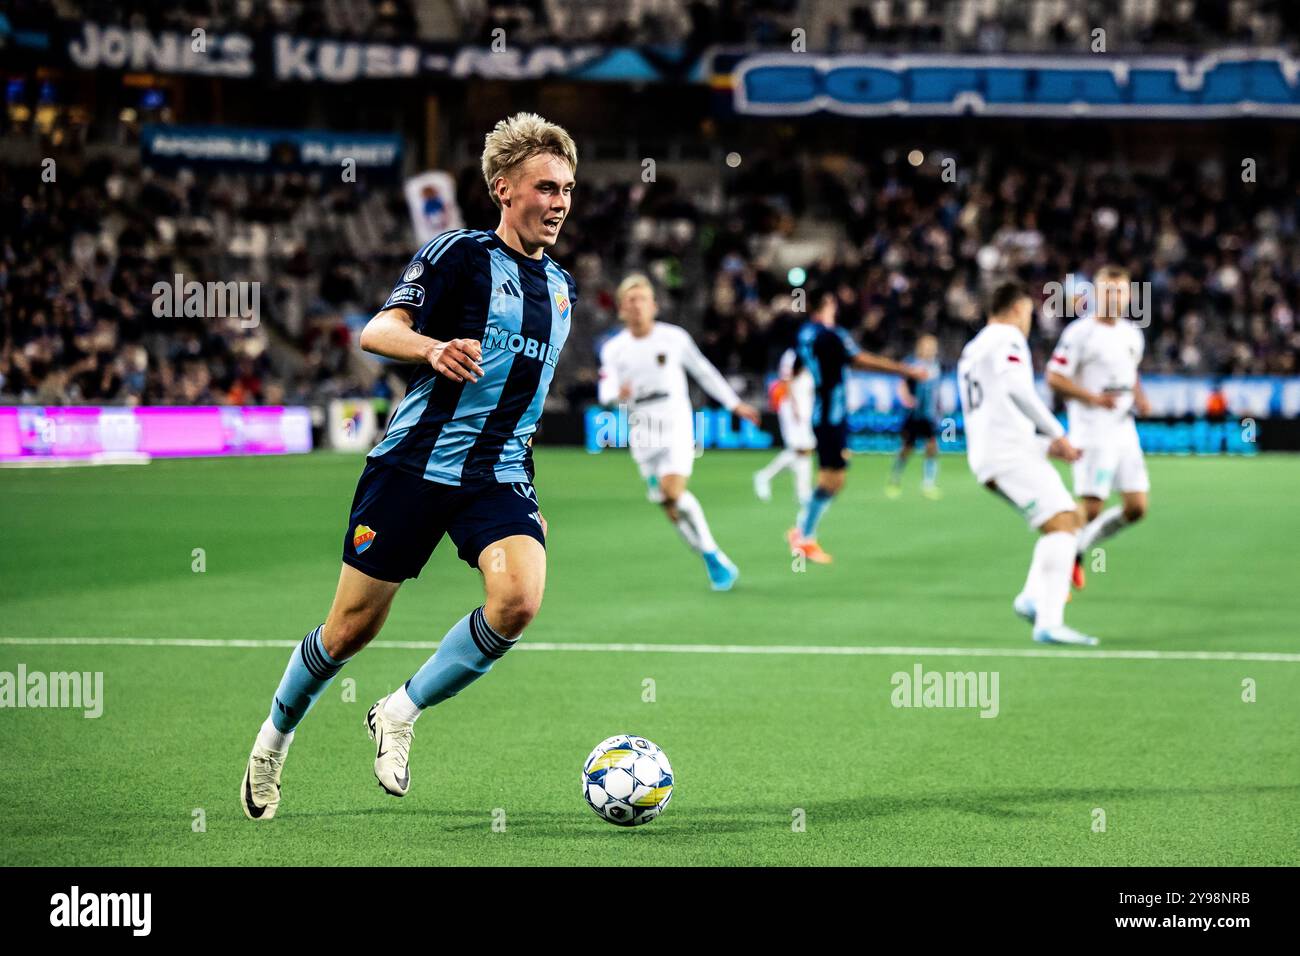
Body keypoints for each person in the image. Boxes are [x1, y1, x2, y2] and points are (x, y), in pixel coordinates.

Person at [240, 112, 579, 819]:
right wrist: (429, 349)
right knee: (351, 630)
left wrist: (528, 490)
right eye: (545, 187)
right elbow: (378, 330)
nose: (558, 202)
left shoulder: (563, 290)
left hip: (497, 473)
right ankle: (275, 738)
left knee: (519, 600)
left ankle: (400, 709)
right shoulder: (458, 253)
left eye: (567, 189)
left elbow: (524, 398)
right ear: (502, 188)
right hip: (415, 464)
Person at [598, 274, 762, 590]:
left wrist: (734, 404)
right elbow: (605, 387)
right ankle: (713, 561)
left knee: (672, 490)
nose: (636, 306)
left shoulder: (674, 338)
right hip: (641, 426)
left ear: (654, 305)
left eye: (642, 299)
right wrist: (615, 393)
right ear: (621, 309)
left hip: (674, 417)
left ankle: (712, 554)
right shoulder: (614, 348)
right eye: (630, 301)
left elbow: (703, 371)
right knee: (670, 508)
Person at [957, 281, 1098, 646]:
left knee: (1062, 520)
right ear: (1019, 309)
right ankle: (1048, 621)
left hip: (997, 452)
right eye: (1030, 314)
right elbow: (1016, 390)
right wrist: (1055, 433)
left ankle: (1033, 598)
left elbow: (993, 411)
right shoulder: (1007, 339)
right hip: (1007, 456)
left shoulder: (973, 349)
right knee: (1065, 522)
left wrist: (1040, 446)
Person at [787, 292, 928, 564]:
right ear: (827, 304)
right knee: (833, 480)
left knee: (832, 477)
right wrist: (905, 371)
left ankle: (803, 531)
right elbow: (860, 360)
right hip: (832, 415)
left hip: (822, 411)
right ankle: (803, 535)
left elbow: (795, 368)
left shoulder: (804, 334)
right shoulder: (831, 335)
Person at [1046, 265, 1150, 588]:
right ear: (1095, 294)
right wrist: (1092, 398)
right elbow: (1054, 378)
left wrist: (1140, 397)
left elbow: (1130, 372)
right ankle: (1053, 565)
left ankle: (1077, 548)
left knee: (1136, 508)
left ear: (1129, 296)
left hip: (1123, 428)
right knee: (1091, 508)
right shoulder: (1079, 333)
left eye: (1119, 291)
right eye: (1107, 291)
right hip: (1092, 428)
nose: (1113, 298)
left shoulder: (1132, 333)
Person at [753, 346, 815, 507]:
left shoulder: (813, 354)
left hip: (806, 406)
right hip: (792, 406)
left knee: (804, 451)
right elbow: (785, 380)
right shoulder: (791, 354)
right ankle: (766, 477)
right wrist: (794, 405)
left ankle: (802, 492)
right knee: (799, 449)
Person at [886, 333, 943, 500]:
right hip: (913, 414)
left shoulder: (936, 366)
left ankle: (928, 484)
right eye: (927, 346)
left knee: (932, 447)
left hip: (929, 415)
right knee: (907, 448)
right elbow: (902, 383)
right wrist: (905, 397)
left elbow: (936, 390)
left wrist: (940, 407)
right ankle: (894, 479)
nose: (930, 350)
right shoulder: (911, 363)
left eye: (933, 347)